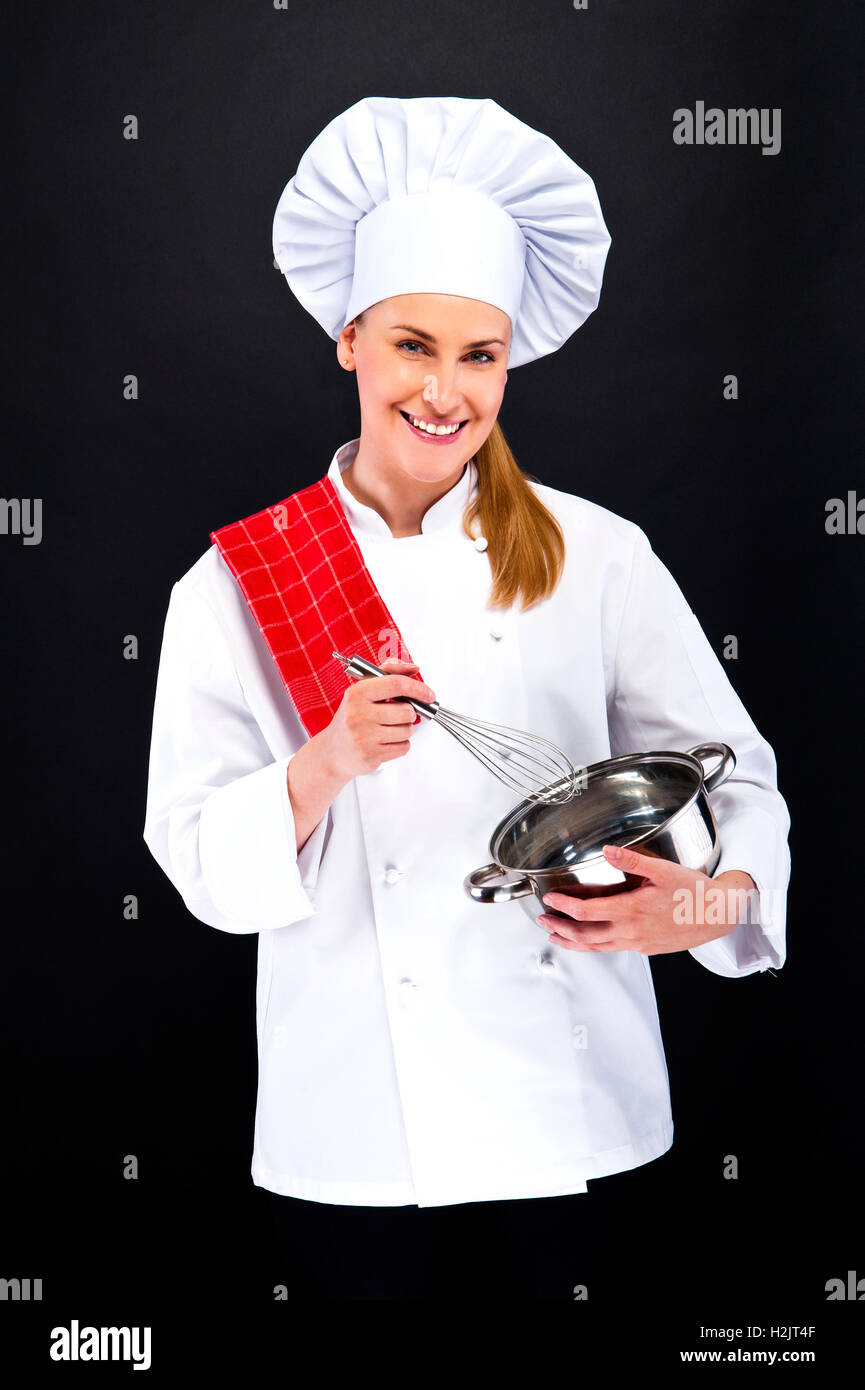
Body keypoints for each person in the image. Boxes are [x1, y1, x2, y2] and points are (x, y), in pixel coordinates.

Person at [142, 96, 791, 1300]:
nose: (445, 391)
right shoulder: (235, 582)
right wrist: (325, 764)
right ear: (348, 339)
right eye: (411, 345)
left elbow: (731, 774)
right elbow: (195, 862)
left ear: (510, 359)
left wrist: (706, 902)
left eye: (478, 354)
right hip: (353, 1131)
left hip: (577, 1121)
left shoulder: (595, 553)